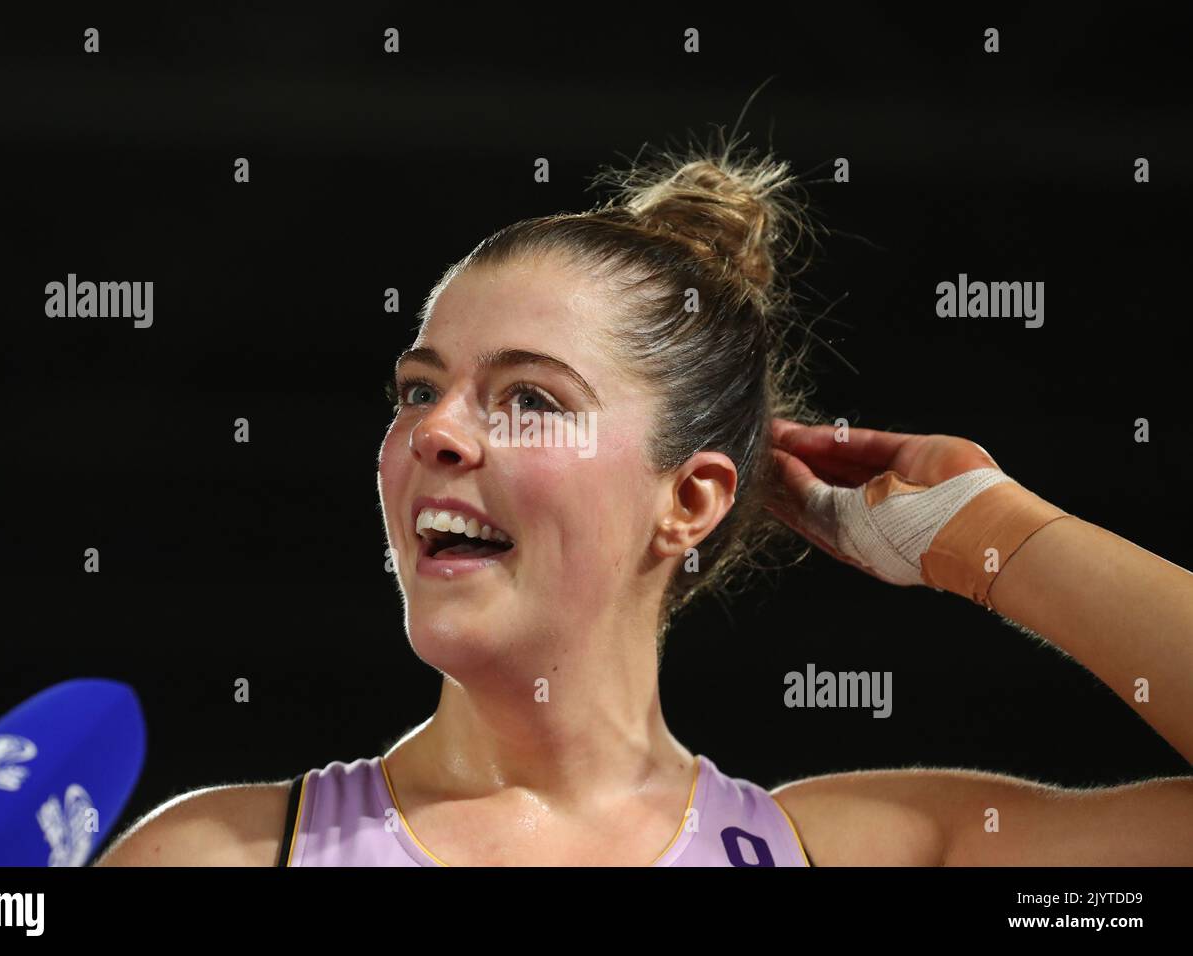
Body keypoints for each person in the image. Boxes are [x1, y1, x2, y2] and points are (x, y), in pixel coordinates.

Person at [97, 138, 1193, 867]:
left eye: (528, 395)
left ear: (690, 498)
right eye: (419, 389)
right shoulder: (222, 854)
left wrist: (997, 542)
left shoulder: (868, 852)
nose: (432, 429)